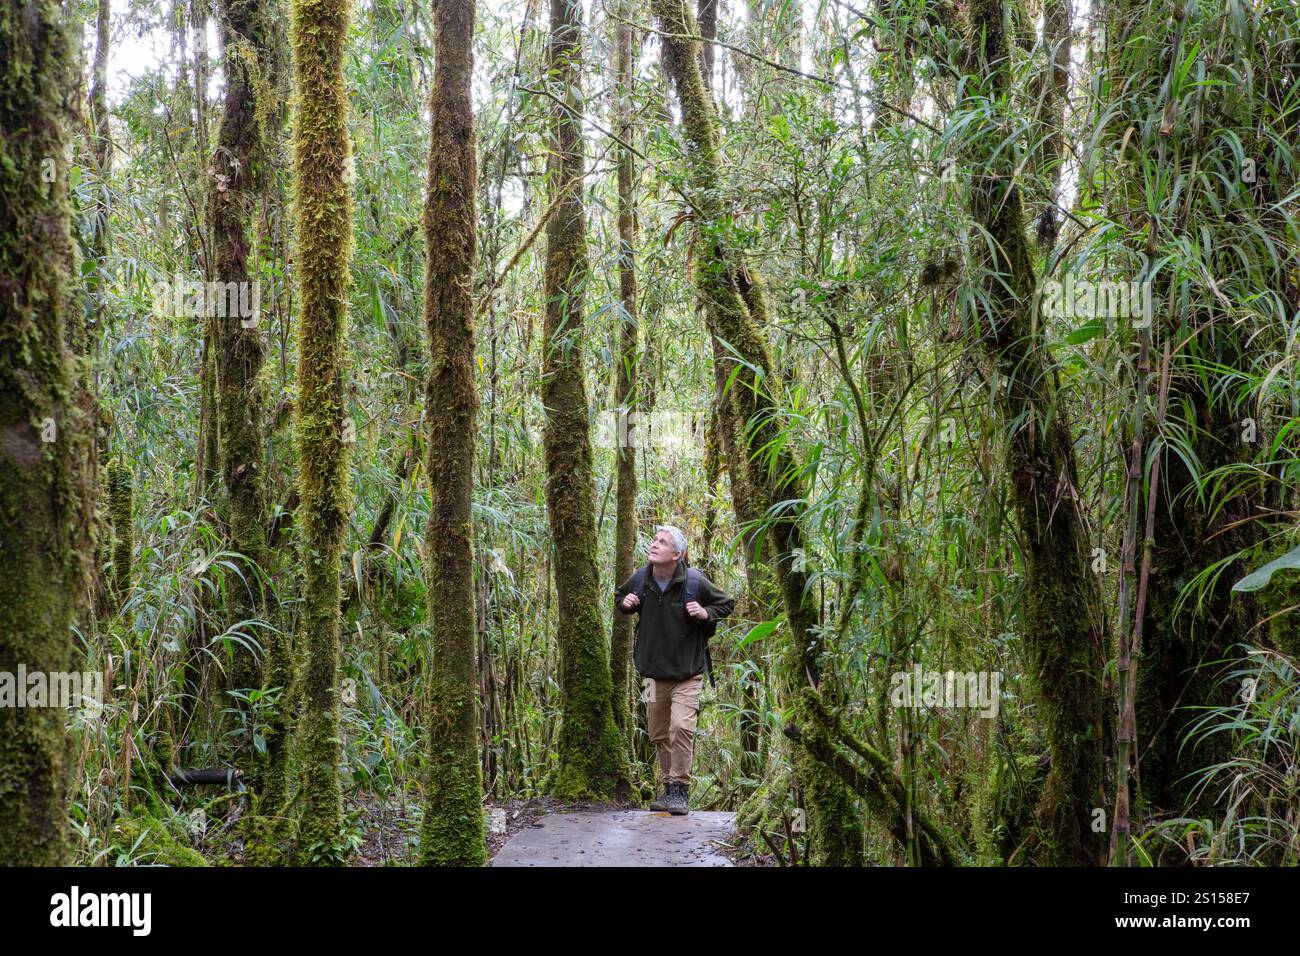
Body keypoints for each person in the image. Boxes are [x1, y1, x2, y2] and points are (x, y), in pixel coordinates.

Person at [614, 525, 735, 815]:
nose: (654, 545)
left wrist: (706, 613)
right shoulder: (641, 579)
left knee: (680, 727)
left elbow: (727, 603)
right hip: (650, 675)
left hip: (688, 673)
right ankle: (669, 788)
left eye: (662, 542)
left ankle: (679, 790)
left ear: (677, 554)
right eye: (654, 540)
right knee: (657, 733)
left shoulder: (694, 582)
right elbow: (620, 597)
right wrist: (626, 603)